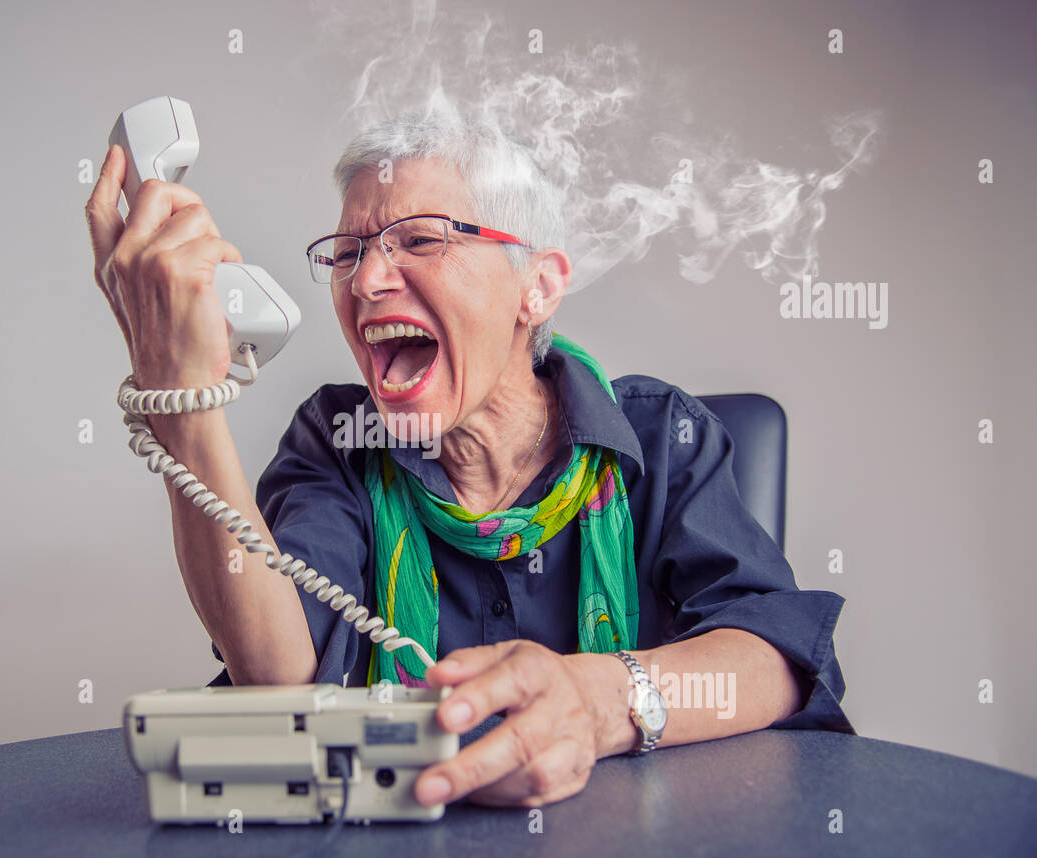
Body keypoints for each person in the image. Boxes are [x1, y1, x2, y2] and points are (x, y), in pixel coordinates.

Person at [84, 107, 853, 811]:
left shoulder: (661, 436)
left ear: (538, 286)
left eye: (420, 239)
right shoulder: (337, 442)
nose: (368, 279)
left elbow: (774, 656)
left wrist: (593, 699)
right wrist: (183, 402)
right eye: (348, 253)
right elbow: (282, 685)